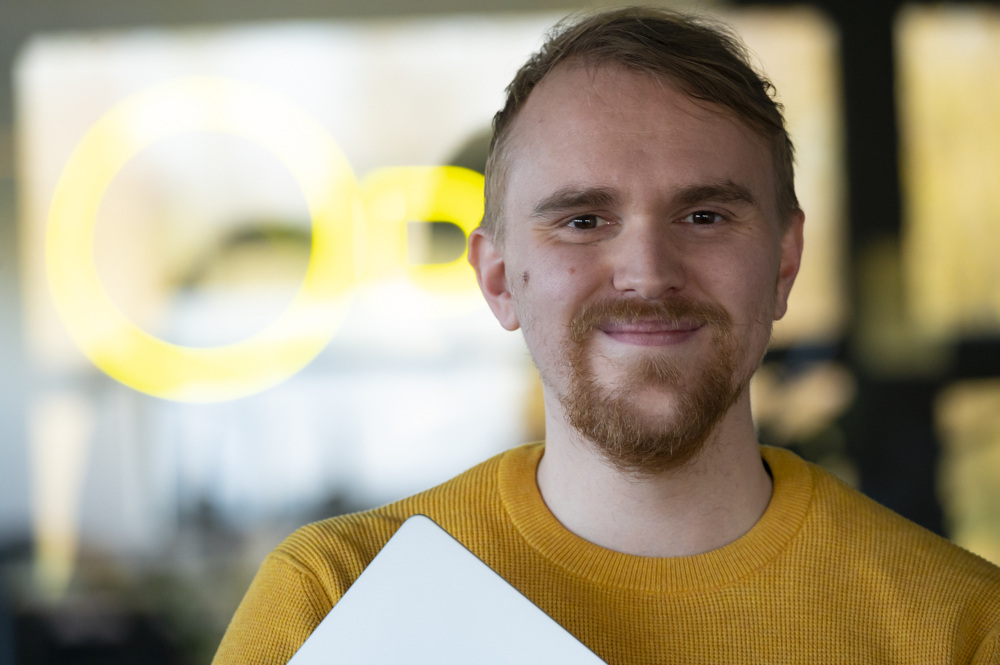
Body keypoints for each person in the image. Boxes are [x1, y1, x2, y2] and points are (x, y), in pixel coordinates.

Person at [213, 7, 1000, 664]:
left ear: (784, 261)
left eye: (704, 215)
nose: (648, 272)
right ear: (497, 278)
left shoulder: (960, 627)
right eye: (583, 220)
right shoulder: (332, 599)